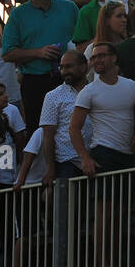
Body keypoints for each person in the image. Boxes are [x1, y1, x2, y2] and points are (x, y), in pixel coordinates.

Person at [69, 42, 135, 267]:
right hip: (104, 152)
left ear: (114, 58)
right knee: (104, 214)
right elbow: (74, 128)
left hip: (127, 154)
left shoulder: (131, 86)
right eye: (94, 57)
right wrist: (85, 158)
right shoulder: (89, 91)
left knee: (121, 214)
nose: (97, 60)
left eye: (102, 56)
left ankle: (118, 263)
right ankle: (104, 266)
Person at [2, 0, 79, 129]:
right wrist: (39, 52)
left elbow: (81, 40)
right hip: (35, 83)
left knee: (70, 127)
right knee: (37, 131)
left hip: (69, 79)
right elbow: (7, 53)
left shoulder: (69, 7)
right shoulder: (18, 14)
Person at [38, 50, 93, 183]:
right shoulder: (53, 96)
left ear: (83, 67)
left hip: (95, 158)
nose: (64, 71)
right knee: (69, 203)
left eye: (68, 66)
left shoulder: (96, 90)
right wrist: (51, 169)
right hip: (67, 163)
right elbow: (48, 136)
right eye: (61, 67)